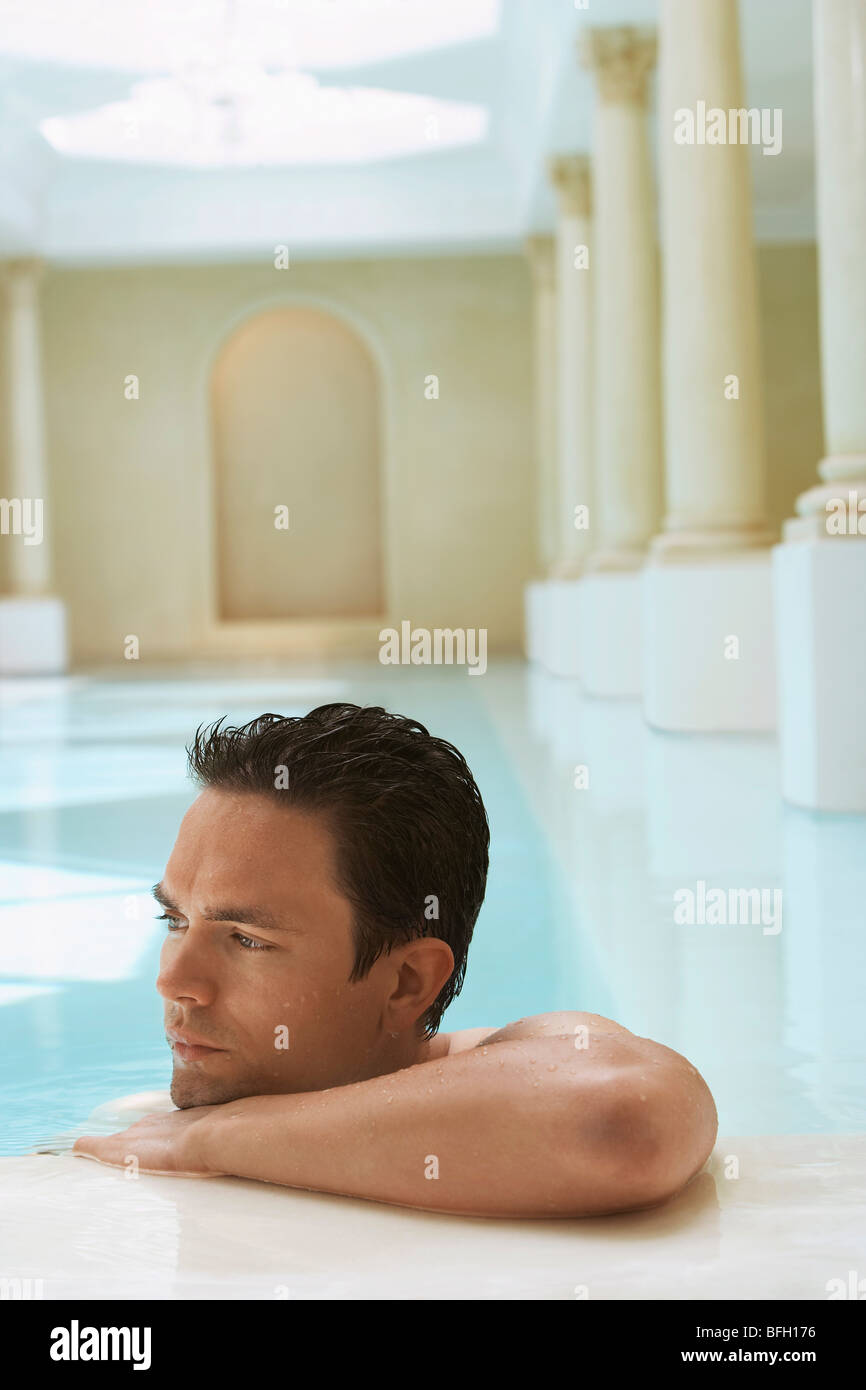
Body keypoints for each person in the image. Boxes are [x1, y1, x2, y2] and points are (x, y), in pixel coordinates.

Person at [73, 703, 717, 1218]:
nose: (172, 981)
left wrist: (214, 1138)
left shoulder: (499, 1064)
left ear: (407, 983)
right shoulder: (146, 1117)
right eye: (175, 920)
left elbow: (625, 1121)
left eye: (246, 939)